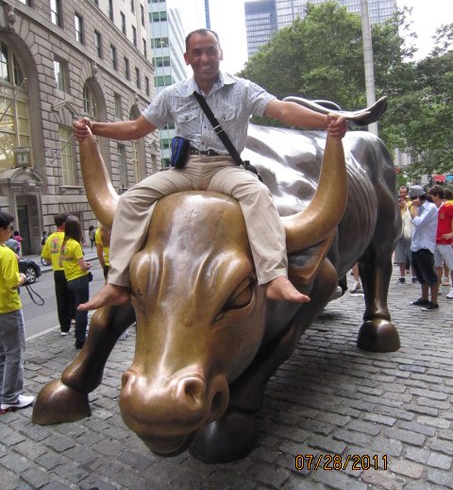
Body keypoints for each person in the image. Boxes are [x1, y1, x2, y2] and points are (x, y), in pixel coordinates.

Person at [73, 28, 347, 311]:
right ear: (187, 58)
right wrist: (94, 128)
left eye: (210, 51)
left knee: (258, 194)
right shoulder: (173, 94)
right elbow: (136, 128)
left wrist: (326, 121)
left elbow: (284, 110)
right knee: (131, 199)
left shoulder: (243, 89)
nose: (205, 58)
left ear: (220, 53)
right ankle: (117, 283)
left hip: (224, 167)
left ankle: (274, 276)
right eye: (197, 52)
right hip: (185, 169)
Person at [0, 211, 34, 413]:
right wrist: (22, 277)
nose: (12, 232)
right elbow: (12, 283)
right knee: (15, 352)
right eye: (10, 228)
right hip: (8, 309)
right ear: (1, 230)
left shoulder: (5, 251)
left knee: (1, 354)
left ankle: (3, 393)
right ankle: (11, 397)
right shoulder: (5, 254)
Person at [59, 216, 92, 349]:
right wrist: (87, 265)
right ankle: (80, 339)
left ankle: (79, 336)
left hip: (70, 280)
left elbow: (60, 263)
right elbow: (82, 266)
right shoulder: (75, 244)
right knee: (82, 309)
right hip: (80, 279)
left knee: (77, 308)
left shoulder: (64, 244)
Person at [41, 213, 76, 336]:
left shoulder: (50, 238)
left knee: (61, 300)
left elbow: (46, 257)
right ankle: (75, 320)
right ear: (65, 224)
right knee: (73, 297)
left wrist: (55, 261)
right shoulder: (68, 237)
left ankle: (64, 328)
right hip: (70, 271)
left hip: (57, 272)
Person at [408, 185, 439, 311]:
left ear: (418, 198)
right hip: (416, 244)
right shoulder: (418, 208)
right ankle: (424, 298)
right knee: (421, 275)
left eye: (412, 199)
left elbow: (418, 222)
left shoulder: (430, 208)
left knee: (429, 275)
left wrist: (414, 208)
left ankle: (434, 301)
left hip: (425, 245)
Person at [428, 185, 453, 300]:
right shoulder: (432, 208)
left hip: (446, 242)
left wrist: (452, 234)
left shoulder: (448, 206)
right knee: (437, 266)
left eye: (432, 196)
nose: (431, 198)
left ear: (437, 195)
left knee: (451, 266)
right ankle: (437, 287)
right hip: (434, 241)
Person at [394, 193, 413, 283]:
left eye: (404, 192)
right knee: (400, 256)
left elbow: (412, 216)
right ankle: (402, 276)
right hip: (399, 233)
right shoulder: (396, 206)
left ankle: (414, 276)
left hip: (408, 233)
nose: (402, 195)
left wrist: (405, 206)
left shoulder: (411, 204)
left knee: (411, 255)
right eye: (401, 193)